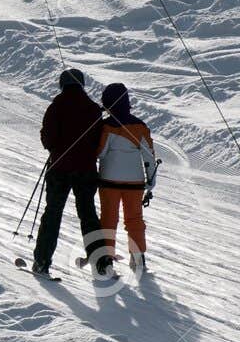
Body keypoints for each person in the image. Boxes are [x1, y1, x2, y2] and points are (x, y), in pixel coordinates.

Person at [32, 68, 104, 276]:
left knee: (52, 214)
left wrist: (57, 149)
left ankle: (42, 261)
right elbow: (99, 141)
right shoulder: (93, 109)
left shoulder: (56, 107)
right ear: (82, 84)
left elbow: (47, 139)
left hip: (60, 169)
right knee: (88, 214)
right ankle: (102, 264)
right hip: (86, 170)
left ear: (62, 85)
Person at [97, 83, 158, 275]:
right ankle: (138, 257)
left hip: (109, 180)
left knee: (109, 219)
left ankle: (107, 259)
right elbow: (149, 156)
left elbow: (101, 152)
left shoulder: (106, 125)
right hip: (135, 182)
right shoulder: (140, 126)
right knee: (134, 219)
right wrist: (151, 181)